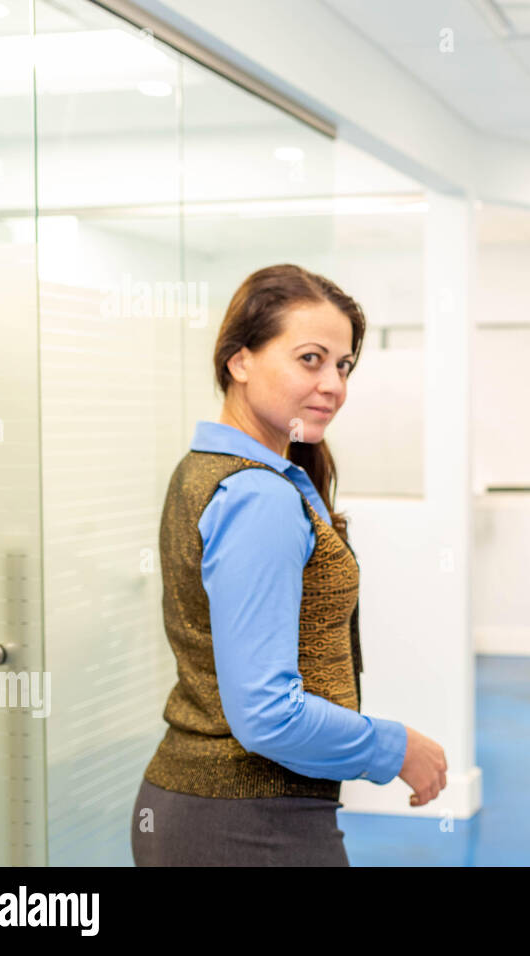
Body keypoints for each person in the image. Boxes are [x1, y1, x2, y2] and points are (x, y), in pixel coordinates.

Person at [132, 263, 447, 866]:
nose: (333, 383)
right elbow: (267, 716)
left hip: (199, 811)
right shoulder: (259, 495)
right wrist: (396, 747)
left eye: (344, 364)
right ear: (240, 360)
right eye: (310, 358)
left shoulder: (206, 468)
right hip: (247, 826)